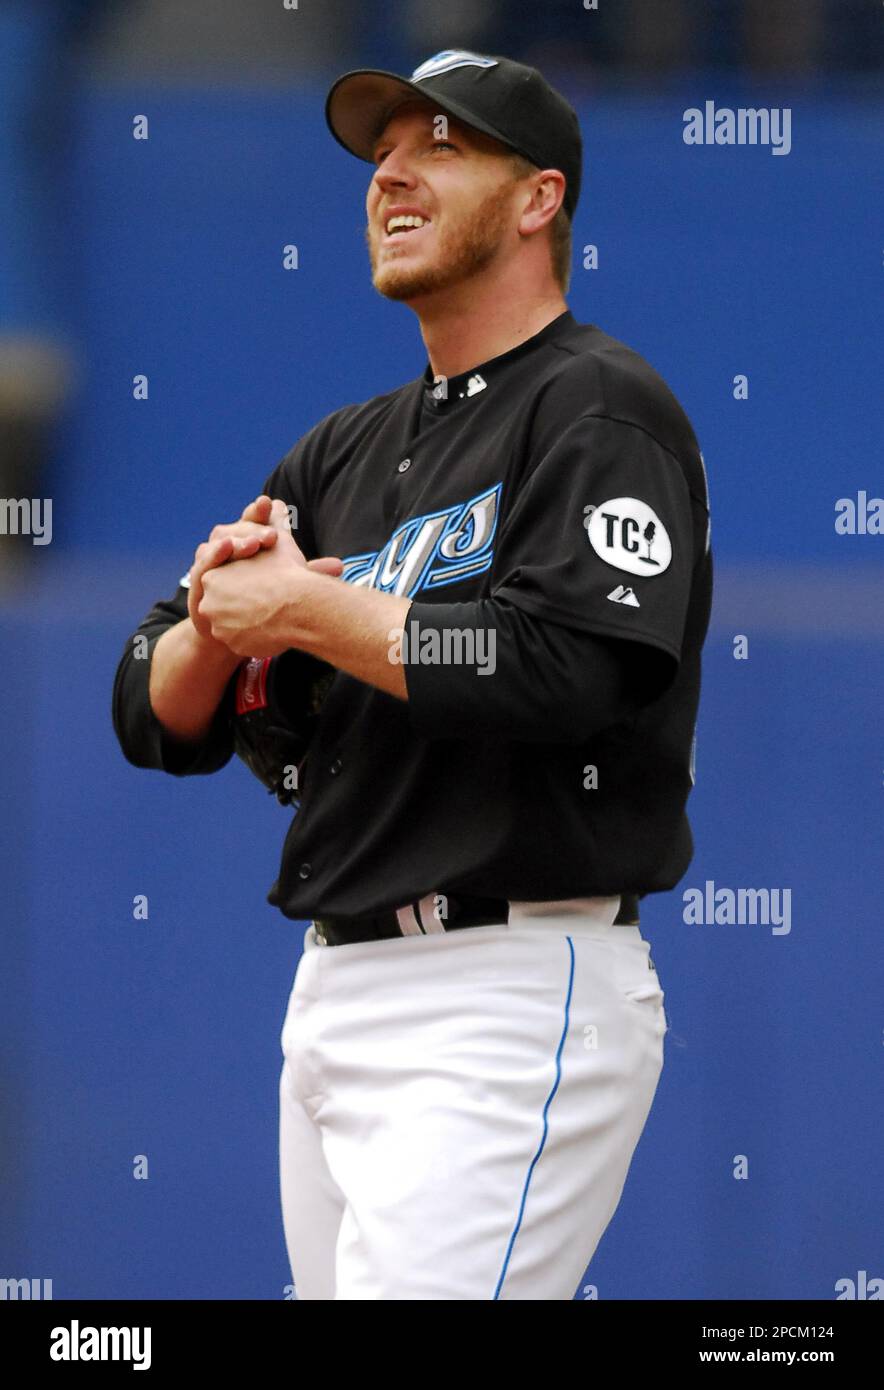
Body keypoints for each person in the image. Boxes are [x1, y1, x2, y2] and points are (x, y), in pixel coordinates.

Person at [112, 49, 713, 1300]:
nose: (389, 173)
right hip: (335, 986)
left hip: (507, 984)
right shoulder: (346, 447)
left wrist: (322, 611)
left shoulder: (600, 409)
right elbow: (153, 709)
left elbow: (566, 667)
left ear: (537, 196)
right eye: (380, 153)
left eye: (439, 145)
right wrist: (226, 623)